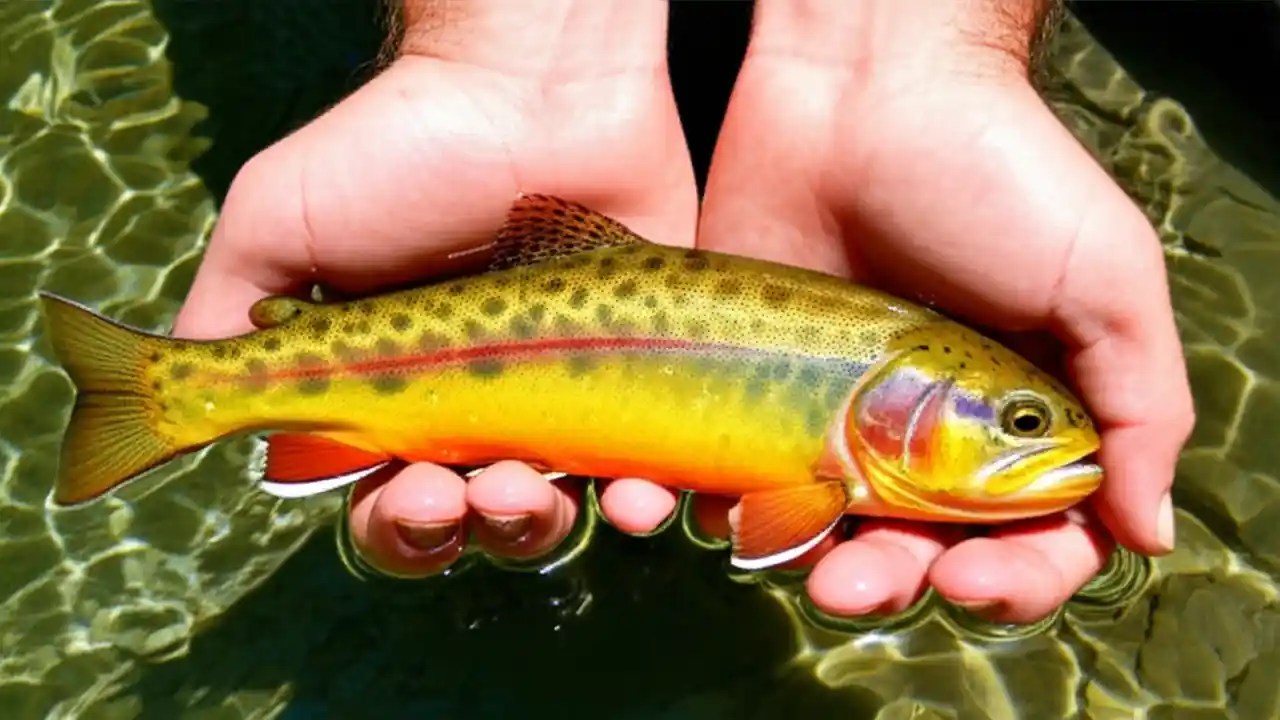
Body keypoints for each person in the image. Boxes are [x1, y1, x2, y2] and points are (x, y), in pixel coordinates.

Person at [172, 0, 1193, 624]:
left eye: (1023, 426)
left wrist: (894, 61)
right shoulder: (853, 429)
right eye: (1021, 421)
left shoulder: (849, 439)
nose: (1054, 445)